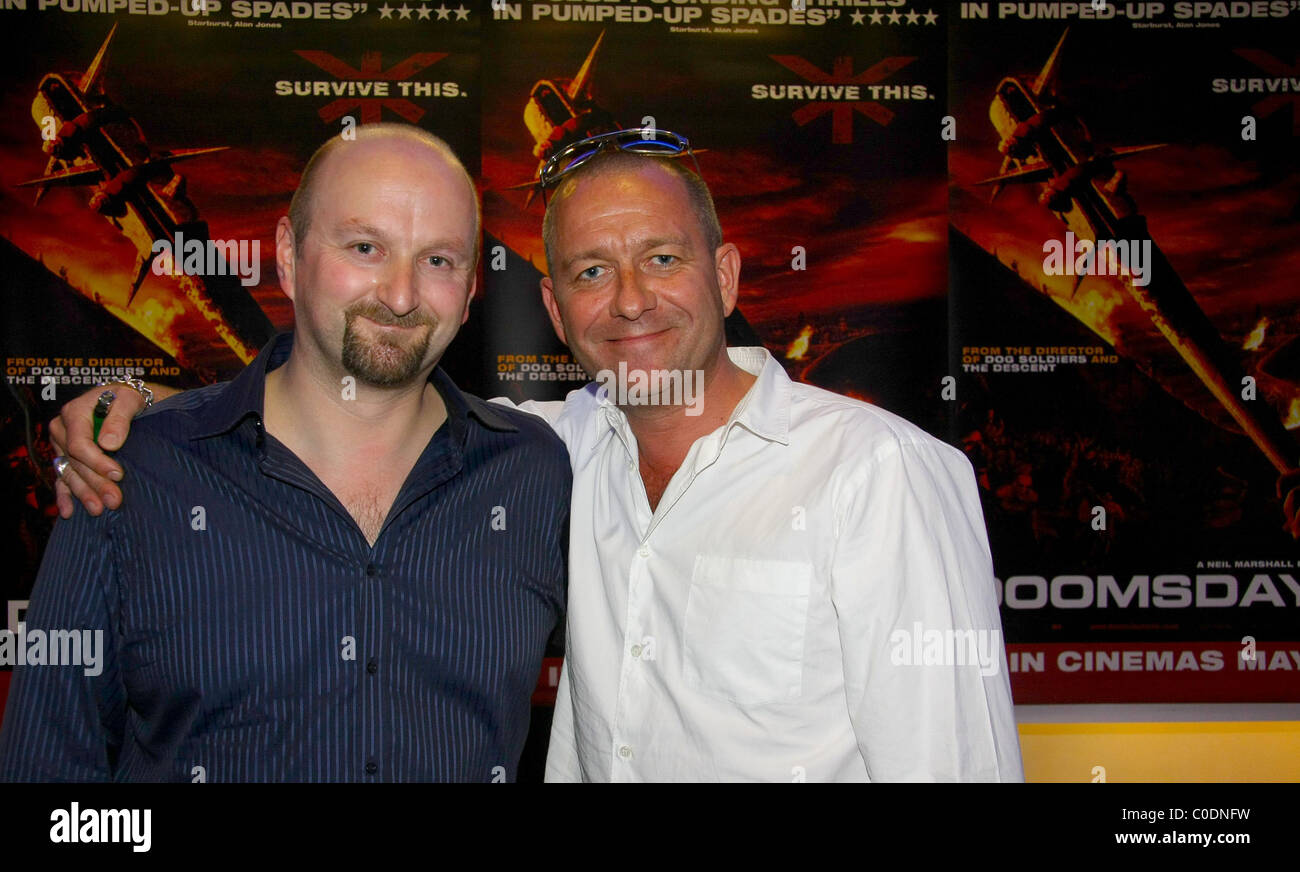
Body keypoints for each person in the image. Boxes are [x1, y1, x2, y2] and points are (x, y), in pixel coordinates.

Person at [47, 129, 1021, 781]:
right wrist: (160, 410)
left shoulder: (879, 473)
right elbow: (363, 396)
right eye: (591, 270)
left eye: (664, 257)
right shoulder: (550, 453)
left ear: (725, 272)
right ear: (552, 309)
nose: (630, 300)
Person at [0, 124, 571, 782]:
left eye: (438, 260)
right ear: (288, 253)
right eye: (365, 246)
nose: (401, 294)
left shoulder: (534, 470)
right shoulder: (132, 467)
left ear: (472, 288)